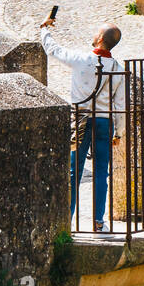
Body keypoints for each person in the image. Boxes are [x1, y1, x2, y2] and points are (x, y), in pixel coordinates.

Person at [40, 14, 126, 232]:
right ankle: (98, 222)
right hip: (105, 123)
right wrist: (119, 133)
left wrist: (44, 29)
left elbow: (53, 50)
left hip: (80, 121)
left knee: (73, 171)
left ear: (99, 38)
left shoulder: (81, 59)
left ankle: (67, 222)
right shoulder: (117, 68)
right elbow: (121, 104)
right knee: (101, 172)